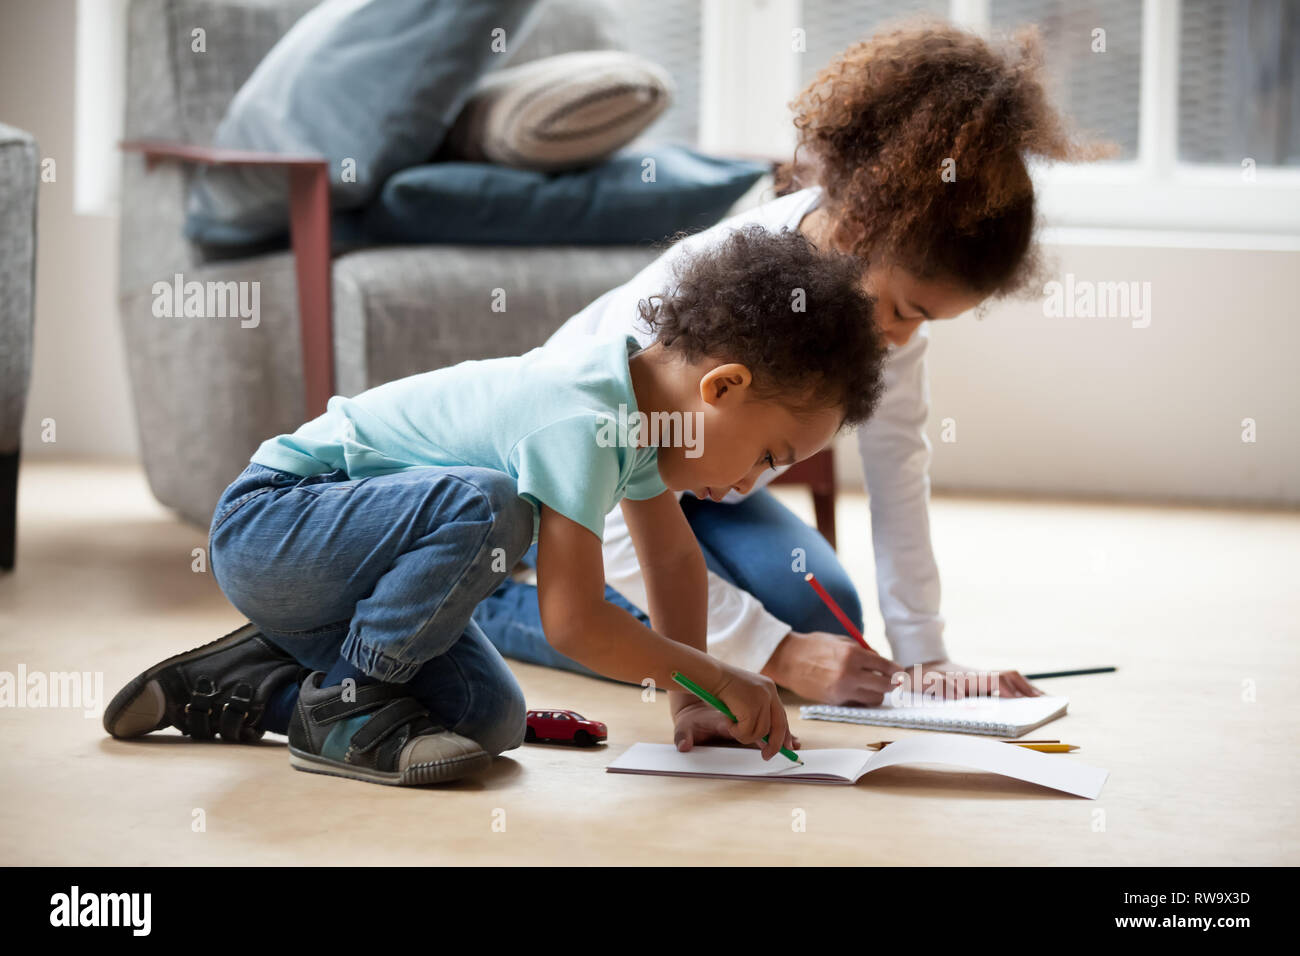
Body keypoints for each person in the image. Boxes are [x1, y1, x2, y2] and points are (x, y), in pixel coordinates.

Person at [102, 227, 888, 786]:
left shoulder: (644, 419)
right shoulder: (581, 417)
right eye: (769, 456)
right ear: (723, 388)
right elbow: (574, 622)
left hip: (332, 572)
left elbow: (673, 560)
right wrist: (718, 669)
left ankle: (259, 681)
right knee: (493, 505)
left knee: (487, 721)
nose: (755, 484)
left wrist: (695, 700)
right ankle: (349, 703)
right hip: (275, 523)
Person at [475, 19, 1106, 708]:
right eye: (906, 310)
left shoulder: (888, 321)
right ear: (863, 227)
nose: (902, 339)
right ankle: (493, 612)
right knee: (702, 645)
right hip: (578, 484)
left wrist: (926, 656)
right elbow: (626, 513)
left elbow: (900, 473)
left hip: (707, 488)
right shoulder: (706, 285)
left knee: (821, 612)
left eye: (925, 322)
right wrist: (770, 653)